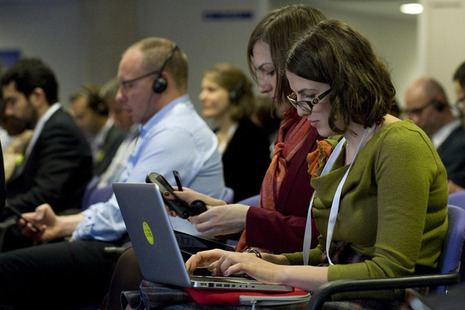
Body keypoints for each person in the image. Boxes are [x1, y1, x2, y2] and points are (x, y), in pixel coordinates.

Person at [186, 20, 448, 309]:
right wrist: (261, 261)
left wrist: (280, 273)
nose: (300, 110)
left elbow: (390, 274)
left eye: (310, 98)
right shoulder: (340, 146)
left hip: (383, 299)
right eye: (295, 97)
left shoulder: (401, 144)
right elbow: (329, 254)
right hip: (340, 293)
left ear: (350, 87)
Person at [102, 4, 327, 309]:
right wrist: (222, 210)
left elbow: (323, 236)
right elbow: (278, 214)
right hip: (263, 257)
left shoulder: (321, 131)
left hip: (281, 268)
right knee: (137, 261)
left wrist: (243, 217)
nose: (262, 86)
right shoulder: (292, 127)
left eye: (269, 72)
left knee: (136, 262)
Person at [0, 37, 226, 310]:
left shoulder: (175, 133)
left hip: (154, 254)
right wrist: (62, 223)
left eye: (128, 85)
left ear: (160, 82)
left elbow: (124, 213)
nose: (119, 97)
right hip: (136, 246)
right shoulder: (159, 128)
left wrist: (68, 226)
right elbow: (118, 208)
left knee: (8, 269)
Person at [0, 58, 93, 252]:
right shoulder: (48, 127)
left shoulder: (59, 129)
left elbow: (45, 195)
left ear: (37, 96)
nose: (8, 111)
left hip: (51, 231)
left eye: (12, 101)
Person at [199, 63, 270, 201]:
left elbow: (251, 190)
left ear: (234, 95)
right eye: (203, 89)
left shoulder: (253, 136)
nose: (202, 96)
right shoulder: (212, 135)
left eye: (211, 90)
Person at [405, 77, 465, 192]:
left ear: (439, 102)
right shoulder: (421, 143)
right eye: (409, 113)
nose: (413, 120)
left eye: (417, 111)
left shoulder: (461, 142)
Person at [69, 83, 125, 176]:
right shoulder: (88, 140)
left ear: (98, 110)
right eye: (75, 118)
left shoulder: (118, 136)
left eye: (81, 117)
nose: (78, 124)